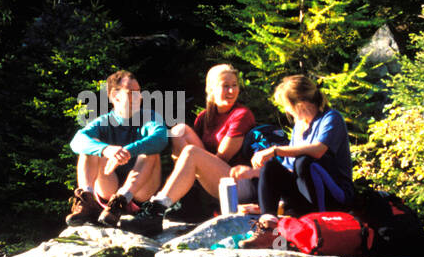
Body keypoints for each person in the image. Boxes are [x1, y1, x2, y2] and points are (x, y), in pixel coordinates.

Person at [120, 63, 255, 234]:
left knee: (191, 153)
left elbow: (222, 159)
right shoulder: (205, 117)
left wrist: (192, 165)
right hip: (213, 180)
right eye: (225, 86)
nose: (231, 91)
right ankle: (186, 197)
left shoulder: (241, 114)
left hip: (238, 185)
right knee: (179, 130)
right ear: (212, 89)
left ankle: (156, 210)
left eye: (234, 85)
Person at [66, 70, 168, 226]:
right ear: (115, 96)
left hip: (141, 192)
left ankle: (122, 199)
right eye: (131, 93)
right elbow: (77, 141)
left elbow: (161, 139)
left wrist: (127, 151)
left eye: (139, 92)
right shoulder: (104, 121)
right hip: (109, 191)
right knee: (89, 146)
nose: (138, 97)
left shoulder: (150, 116)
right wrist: (107, 149)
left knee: (151, 151)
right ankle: (86, 201)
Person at [252, 74, 353, 221]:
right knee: (271, 166)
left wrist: (275, 150)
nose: (287, 111)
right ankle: (268, 221)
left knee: (304, 161)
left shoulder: (331, 118)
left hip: (335, 195)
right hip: (306, 194)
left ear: (300, 103)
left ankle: (319, 220)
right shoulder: (299, 125)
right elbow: (289, 168)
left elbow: (318, 150)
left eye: (287, 106)